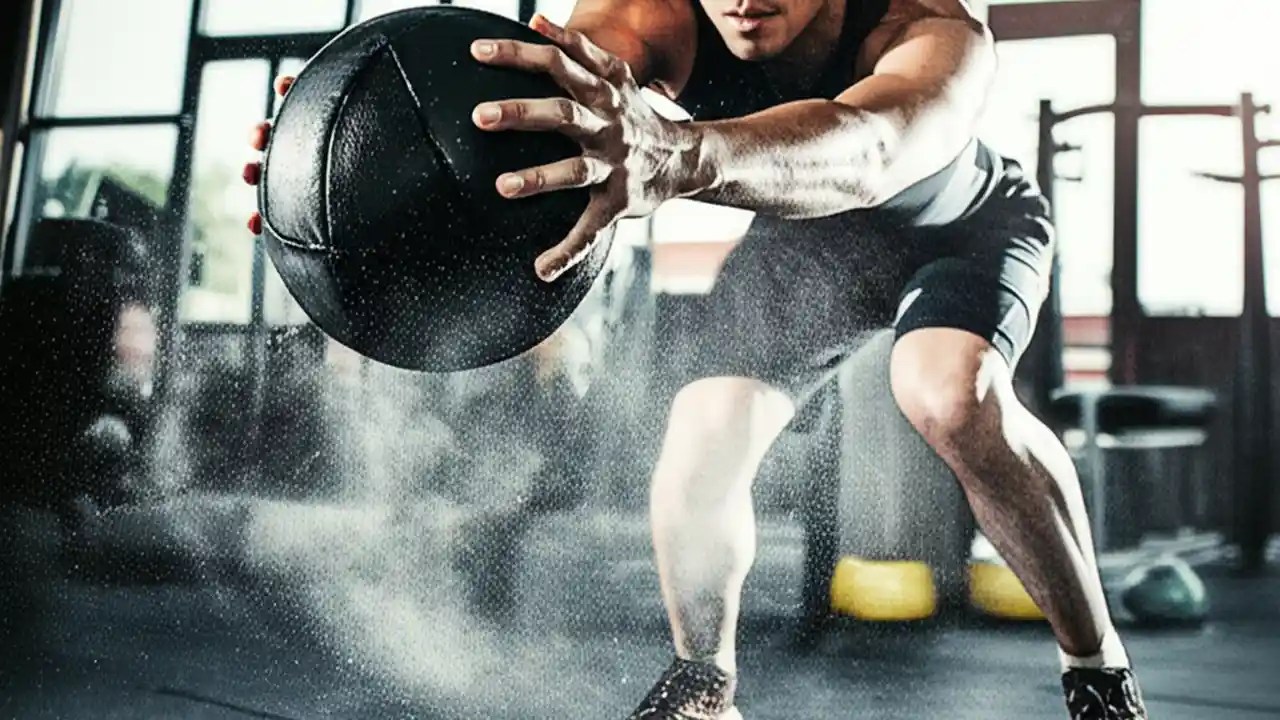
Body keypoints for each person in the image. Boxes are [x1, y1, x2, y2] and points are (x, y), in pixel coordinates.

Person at [242, 1, 1147, 717]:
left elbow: (871, 150)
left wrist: (685, 151)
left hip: (966, 229)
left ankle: (1098, 675)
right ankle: (703, 686)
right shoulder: (656, 14)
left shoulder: (929, 22)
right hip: (811, 242)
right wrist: (348, 159)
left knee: (946, 392)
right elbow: (556, 90)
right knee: (703, 431)